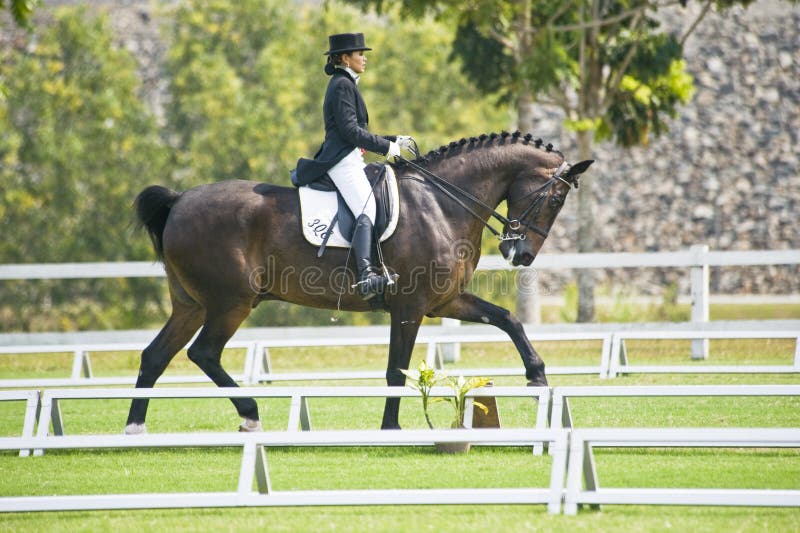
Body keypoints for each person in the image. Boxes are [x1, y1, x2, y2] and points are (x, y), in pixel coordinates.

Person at [294, 32, 414, 300]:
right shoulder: (341, 85)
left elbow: (355, 129)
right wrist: (386, 148)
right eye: (360, 54)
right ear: (345, 58)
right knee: (366, 207)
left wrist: (392, 140)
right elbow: (350, 132)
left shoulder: (345, 83)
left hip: (350, 158)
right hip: (341, 160)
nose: (364, 57)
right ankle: (366, 275)